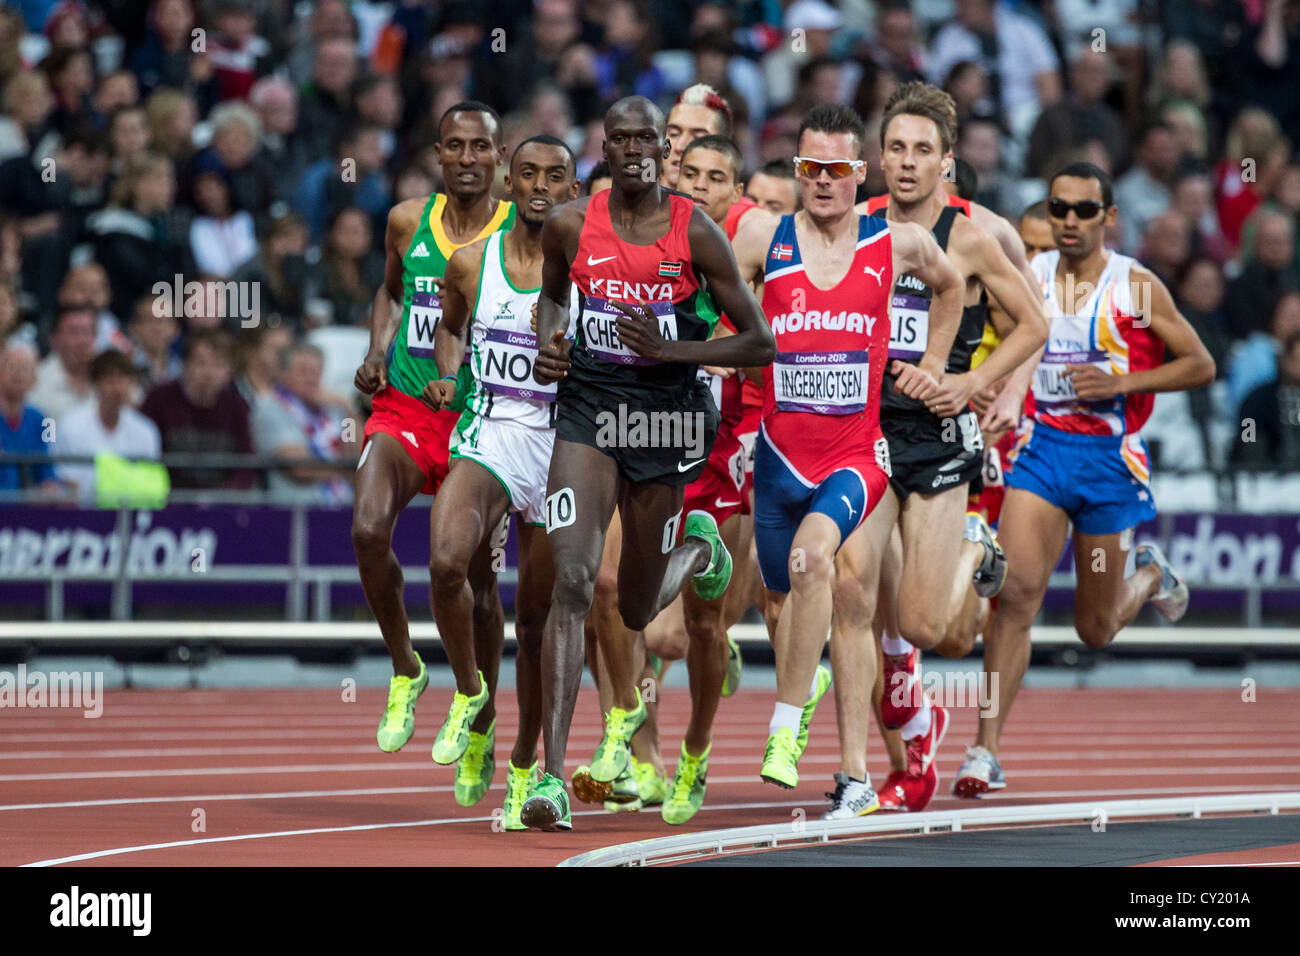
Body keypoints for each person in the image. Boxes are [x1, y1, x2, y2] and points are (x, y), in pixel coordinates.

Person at [519, 95, 776, 831]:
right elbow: (551, 299)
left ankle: (696, 551)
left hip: (665, 415)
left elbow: (759, 343)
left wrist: (674, 351)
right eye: (620, 137)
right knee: (575, 579)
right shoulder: (572, 222)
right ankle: (551, 779)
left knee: (635, 608)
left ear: (664, 146)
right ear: (604, 147)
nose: (634, 149)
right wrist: (552, 339)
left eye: (646, 138)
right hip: (588, 409)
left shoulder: (695, 232)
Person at [729, 101, 966, 816]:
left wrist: (935, 363)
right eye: (811, 169)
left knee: (830, 578)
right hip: (777, 459)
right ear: (797, 170)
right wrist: (729, 364)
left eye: (837, 170)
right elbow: (715, 307)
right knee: (784, 592)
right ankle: (807, 710)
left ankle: (829, 757)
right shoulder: (762, 237)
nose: (824, 182)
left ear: (858, 174)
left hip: (856, 457)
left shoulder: (895, 243)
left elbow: (951, 286)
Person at [953, 161, 1215, 797]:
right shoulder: (1031, 275)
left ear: (1109, 218)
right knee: (1014, 597)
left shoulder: (1138, 287)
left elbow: (1200, 364)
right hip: (1043, 455)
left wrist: (1122, 383)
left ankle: (1150, 572)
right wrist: (987, 393)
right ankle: (984, 751)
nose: (1070, 221)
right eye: (1060, 209)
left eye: (1084, 211)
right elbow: (1006, 345)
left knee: (1092, 630)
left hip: (1108, 468)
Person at [843, 83, 1048, 813]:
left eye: (921, 151)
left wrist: (975, 383)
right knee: (854, 595)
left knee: (930, 626)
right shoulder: (857, 222)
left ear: (946, 162)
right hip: (864, 431)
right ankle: (866, 769)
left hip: (936, 435)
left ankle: (973, 550)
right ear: (878, 156)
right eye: (894, 148)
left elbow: (1033, 324)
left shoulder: (972, 234)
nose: (905, 163)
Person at [350, 102, 515, 784]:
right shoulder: (404, 221)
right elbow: (388, 294)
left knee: (468, 579)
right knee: (366, 530)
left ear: (500, 157)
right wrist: (376, 349)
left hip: (484, 422)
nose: (468, 158)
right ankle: (405, 668)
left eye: (481, 147)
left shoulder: (520, 230)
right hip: (406, 409)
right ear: (438, 154)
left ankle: (477, 715)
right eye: (455, 147)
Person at [419, 135, 580, 827]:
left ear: (573, 190)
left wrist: (573, 366)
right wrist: (451, 370)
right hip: (490, 434)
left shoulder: (591, 272)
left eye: (556, 176)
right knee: (445, 562)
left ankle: (523, 767)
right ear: (508, 183)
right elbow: (449, 329)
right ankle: (466, 692)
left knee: (538, 622)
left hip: (563, 449)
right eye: (528, 174)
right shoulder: (470, 262)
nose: (541, 185)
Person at [55, 349, 162, 502]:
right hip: (83, 517)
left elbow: (150, 486)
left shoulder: (146, 430)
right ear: (95, 383)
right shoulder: (70, 426)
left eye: (124, 380)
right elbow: (67, 482)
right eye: (110, 380)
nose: (117, 388)